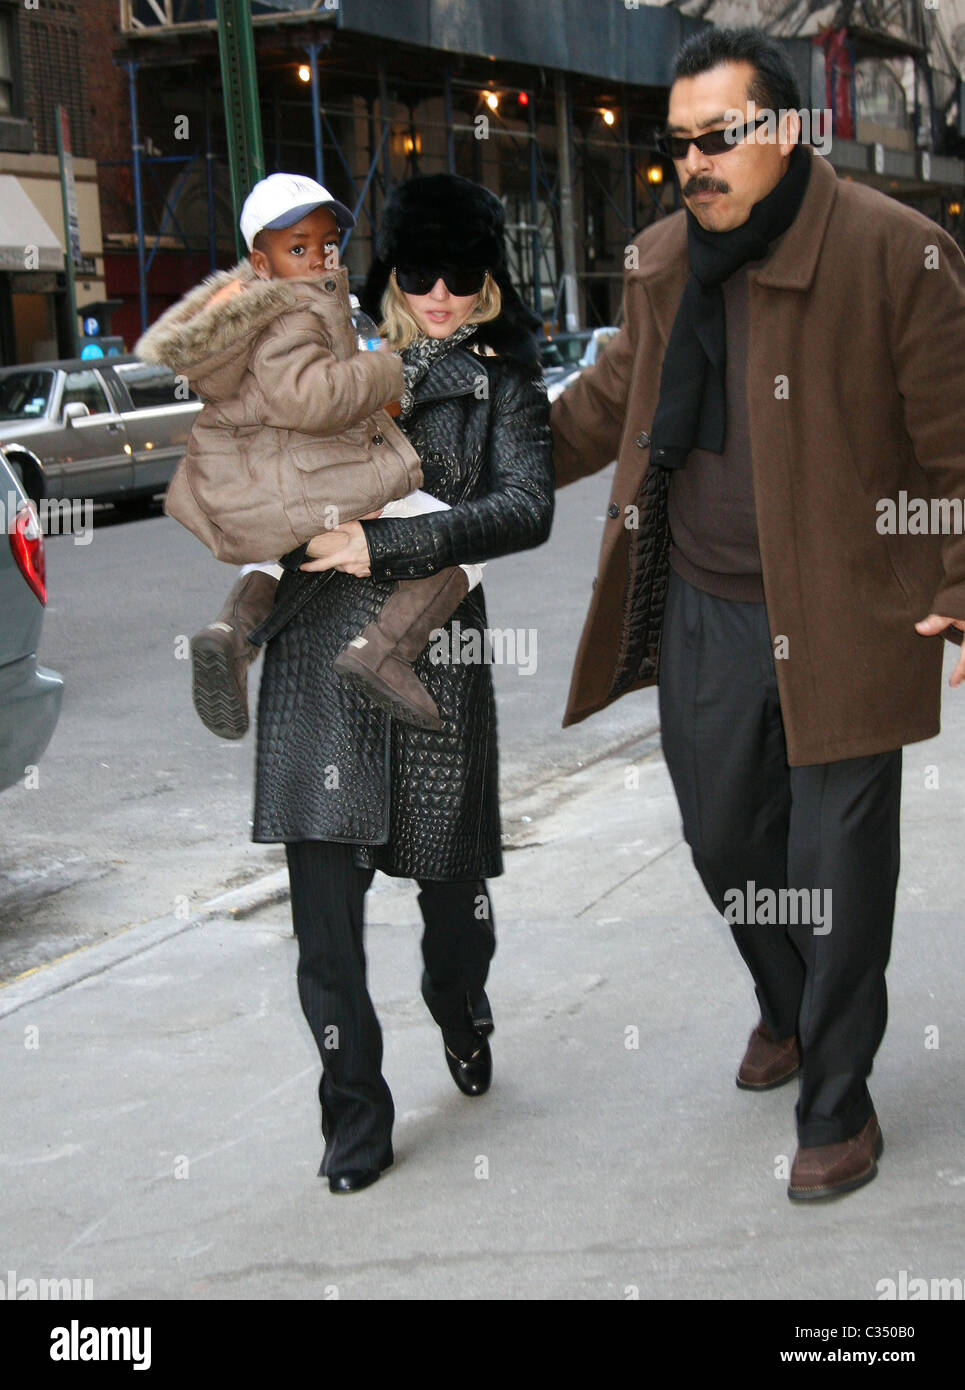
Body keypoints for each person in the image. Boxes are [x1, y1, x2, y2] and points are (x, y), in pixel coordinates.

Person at [551, 26, 965, 1201]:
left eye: (719, 138)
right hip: (702, 606)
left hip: (851, 609)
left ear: (786, 131)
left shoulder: (898, 255)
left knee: (835, 872)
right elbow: (598, 410)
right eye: (678, 143)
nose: (694, 163)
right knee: (726, 842)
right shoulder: (663, 263)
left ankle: (835, 1100)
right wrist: (478, 455)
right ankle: (784, 1005)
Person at [244, 172, 553, 1193]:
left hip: (433, 662)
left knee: (451, 900)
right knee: (322, 924)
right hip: (312, 667)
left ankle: (459, 1006)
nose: (440, 292)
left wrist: (388, 539)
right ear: (390, 273)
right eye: (419, 271)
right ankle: (353, 1117)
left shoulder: (502, 383)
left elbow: (524, 510)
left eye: (462, 275)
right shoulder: (323, 354)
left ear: (488, 284)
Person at [136, 172, 483, 737]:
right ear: (262, 264)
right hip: (320, 482)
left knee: (276, 547)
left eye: (327, 244)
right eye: (298, 248)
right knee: (464, 538)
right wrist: (387, 368)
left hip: (270, 493)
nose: (320, 257)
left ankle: (230, 635)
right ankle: (386, 650)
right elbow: (312, 397)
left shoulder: (247, 321)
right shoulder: (294, 315)